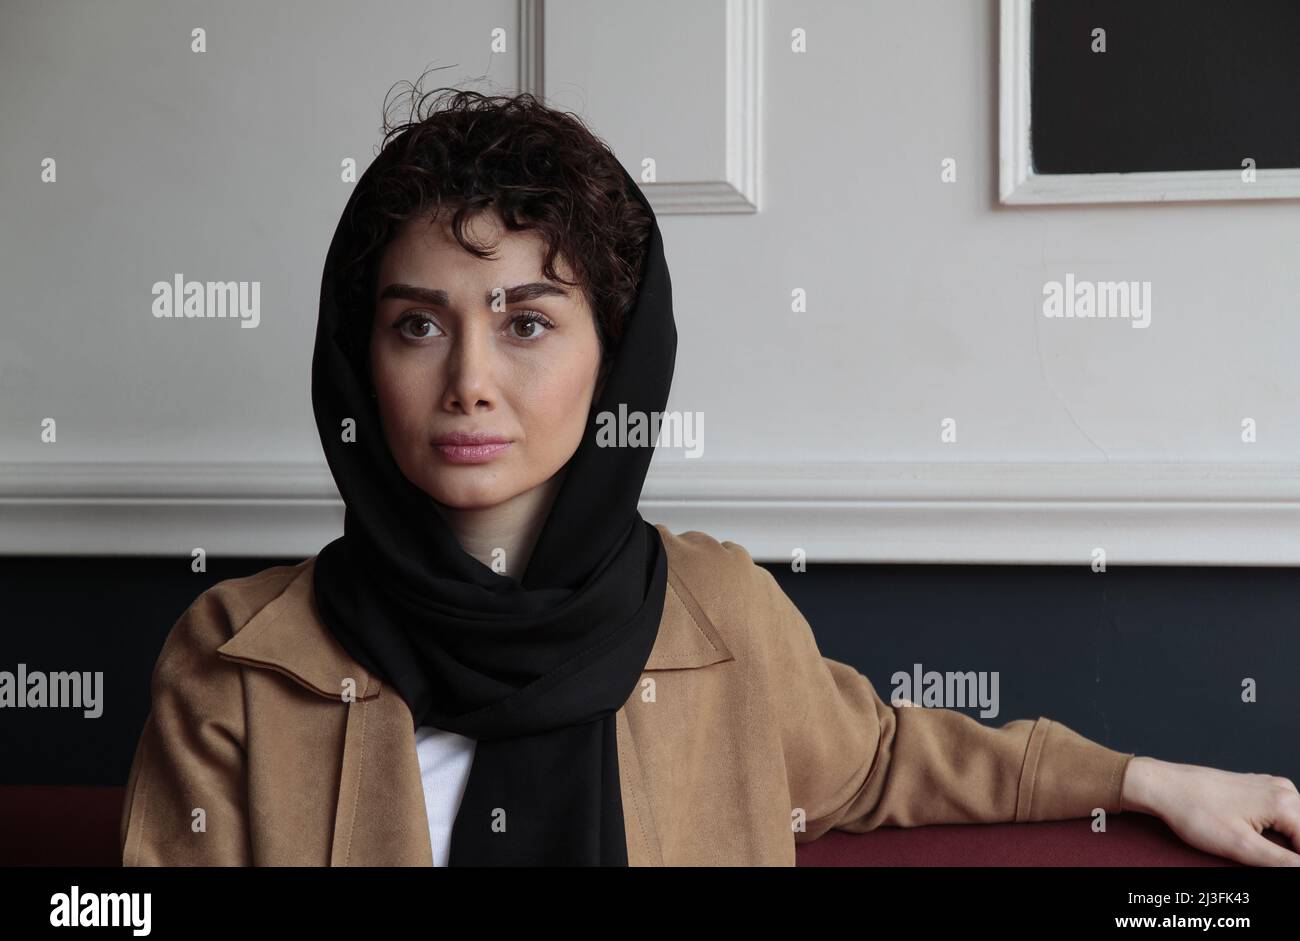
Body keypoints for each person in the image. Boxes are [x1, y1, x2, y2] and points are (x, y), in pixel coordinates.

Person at [120, 81, 1300, 867]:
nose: (468, 379)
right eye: (417, 325)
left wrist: (1144, 778)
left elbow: (885, 756)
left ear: (615, 355)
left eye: (526, 322)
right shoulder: (237, 660)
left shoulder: (719, 614)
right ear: (357, 360)